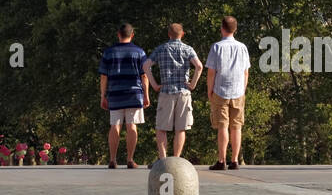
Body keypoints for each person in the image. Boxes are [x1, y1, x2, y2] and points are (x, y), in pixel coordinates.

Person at [144, 23, 204, 160]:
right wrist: (193, 84)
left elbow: (146, 65)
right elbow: (199, 66)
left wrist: (154, 84)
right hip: (183, 91)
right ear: (182, 34)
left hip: (166, 91)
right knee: (180, 128)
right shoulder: (188, 49)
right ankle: (176, 159)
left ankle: (163, 159)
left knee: (161, 128)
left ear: (168, 34)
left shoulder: (161, 49)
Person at [98, 23, 149, 169]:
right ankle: (130, 159)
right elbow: (144, 76)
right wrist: (146, 95)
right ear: (132, 35)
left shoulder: (109, 52)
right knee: (131, 125)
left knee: (115, 125)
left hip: (115, 93)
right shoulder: (139, 52)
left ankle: (113, 159)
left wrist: (103, 96)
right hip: (134, 93)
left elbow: (103, 77)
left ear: (118, 34)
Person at [206, 15, 250, 170]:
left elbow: (211, 72)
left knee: (222, 126)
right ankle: (235, 160)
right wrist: (243, 89)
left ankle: (221, 160)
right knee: (236, 126)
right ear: (235, 29)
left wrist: (209, 90)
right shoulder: (242, 47)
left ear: (222, 28)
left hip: (220, 89)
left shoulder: (217, 47)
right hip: (238, 90)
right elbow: (246, 72)